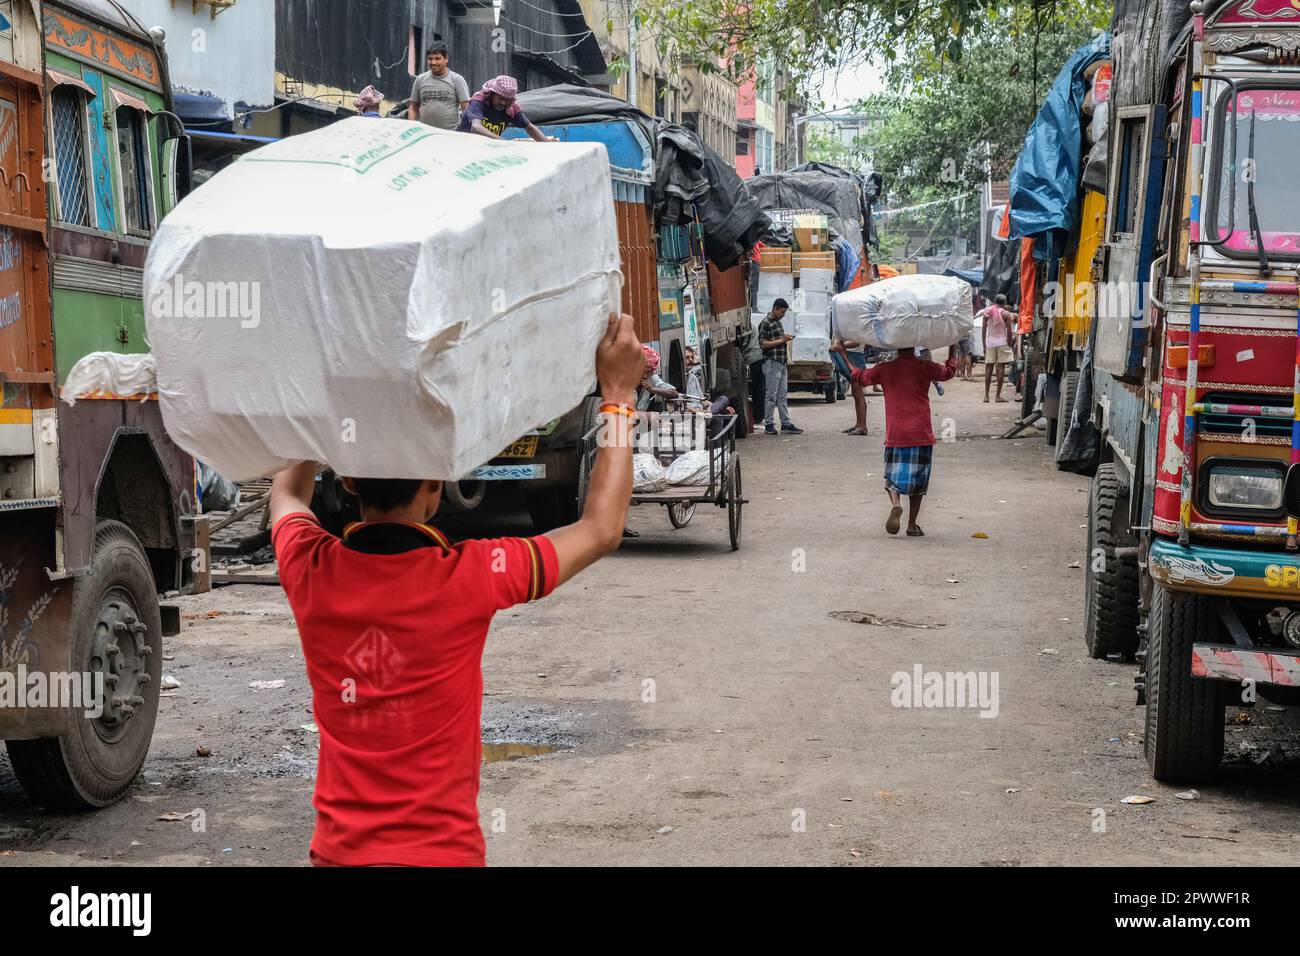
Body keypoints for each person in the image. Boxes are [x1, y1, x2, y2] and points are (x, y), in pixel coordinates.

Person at [269, 313, 645, 867]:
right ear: (437, 481)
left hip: (338, 856)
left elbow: (287, 496)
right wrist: (617, 397)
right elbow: (600, 528)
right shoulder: (475, 574)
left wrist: (319, 403)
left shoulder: (309, 568)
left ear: (347, 481)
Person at [833, 341, 958, 537]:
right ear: (914, 347)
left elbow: (859, 377)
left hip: (896, 432)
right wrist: (953, 347)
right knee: (918, 483)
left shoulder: (885, 369)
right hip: (921, 432)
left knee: (892, 477)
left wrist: (843, 354)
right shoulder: (925, 366)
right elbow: (949, 372)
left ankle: (896, 503)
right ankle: (912, 524)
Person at [457, 76, 552, 142]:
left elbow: (530, 128)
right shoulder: (479, 101)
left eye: (507, 100)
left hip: (486, 148)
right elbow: (476, 127)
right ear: (492, 94)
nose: (503, 103)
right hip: (465, 145)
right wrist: (503, 142)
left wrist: (550, 148)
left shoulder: (511, 108)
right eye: (500, 98)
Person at [756, 298, 802, 435]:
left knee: (782, 395)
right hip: (771, 363)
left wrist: (784, 339)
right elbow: (763, 344)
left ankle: (785, 423)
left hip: (781, 362)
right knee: (771, 394)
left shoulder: (777, 322)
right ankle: (769, 423)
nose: (783, 315)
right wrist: (782, 340)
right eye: (781, 312)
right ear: (775, 308)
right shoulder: (766, 323)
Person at [408, 42, 469, 130]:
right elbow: (413, 108)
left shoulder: (457, 80)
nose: (433, 62)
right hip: (425, 135)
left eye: (437, 58)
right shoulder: (420, 80)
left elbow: (466, 109)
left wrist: (464, 132)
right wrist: (411, 128)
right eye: (430, 59)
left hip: (450, 135)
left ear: (446, 59)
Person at [980, 293, 1018, 403]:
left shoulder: (987, 312)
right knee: (1000, 367)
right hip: (1002, 342)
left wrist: (984, 344)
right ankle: (997, 396)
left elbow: (983, 330)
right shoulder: (1006, 314)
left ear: (995, 301)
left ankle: (986, 396)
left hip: (990, 342)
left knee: (989, 368)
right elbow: (1010, 332)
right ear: (1004, 302)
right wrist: (1010, 343)